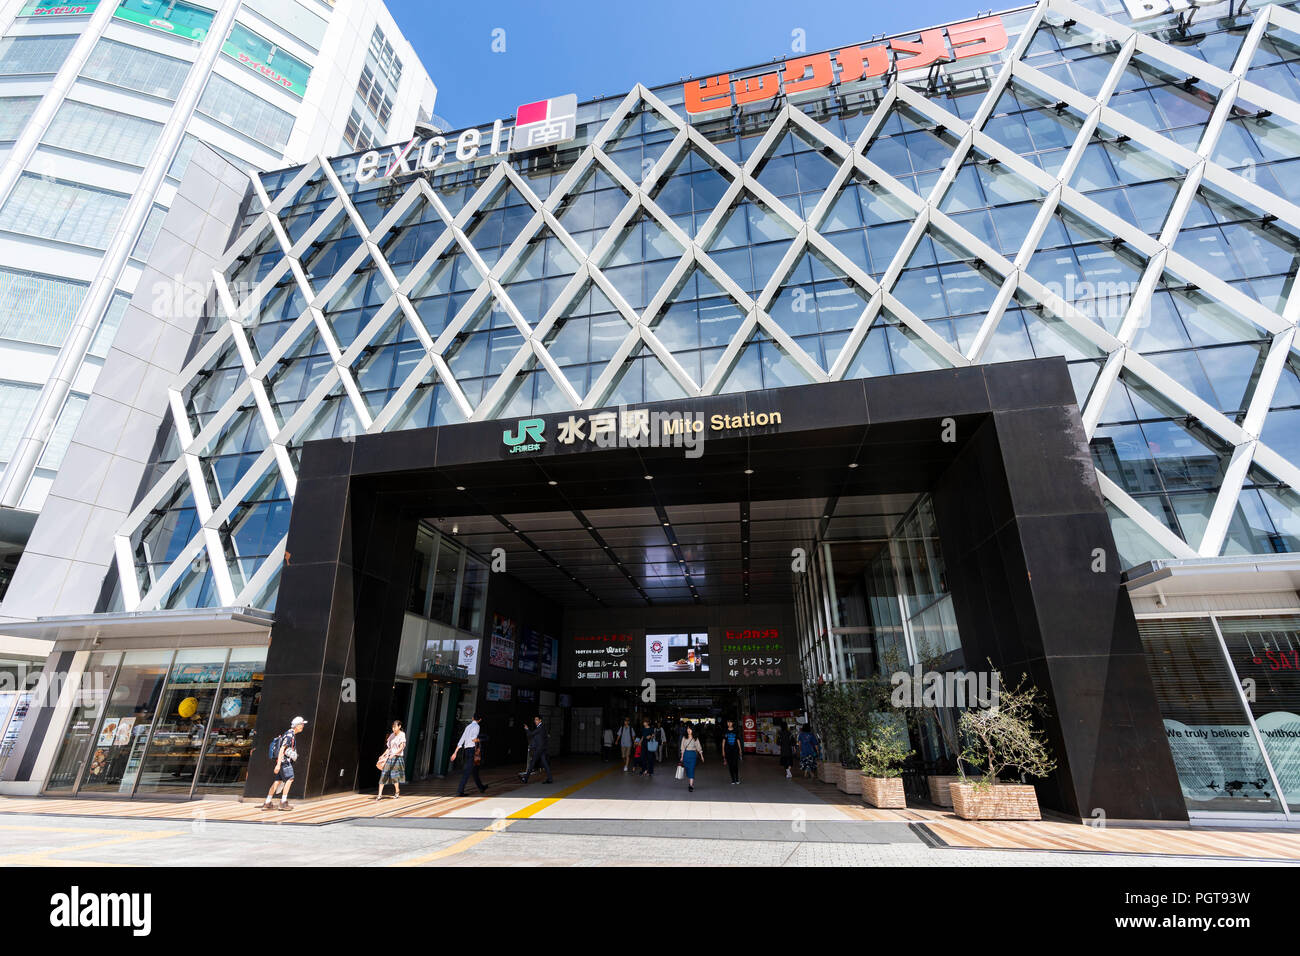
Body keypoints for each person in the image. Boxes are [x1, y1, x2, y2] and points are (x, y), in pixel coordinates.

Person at [261, 716, 307, 811]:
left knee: (277, 781)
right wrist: (278, 765)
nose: (303, 726)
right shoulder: (290, 735)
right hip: (284, 762)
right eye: (302, 724)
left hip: (282, 762)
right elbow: (282, 749)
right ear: (297, 726)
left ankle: (267, 802)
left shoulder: (289, 734)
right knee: (290, 779)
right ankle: (283, 803)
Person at [451, 712, 489, 797]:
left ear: (472, 718)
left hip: (467, 751)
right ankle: (460, 791)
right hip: (472, 751)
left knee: (474, 770)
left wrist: (455, 752)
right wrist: (482, 739)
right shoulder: (477, 726)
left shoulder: (468, 727)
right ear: (480, 720)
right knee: (467, 772)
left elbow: (462, 739)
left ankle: (481, 787)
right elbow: (474, 739)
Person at [376, 719, 407, 799]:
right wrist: (382, 755)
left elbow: (401, 747)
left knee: (394, 777)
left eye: (395, 727)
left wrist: (394, 753)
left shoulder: (402, 734)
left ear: (399, 726)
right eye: (392, 727)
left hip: (397, 758)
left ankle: (397, 791)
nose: (393, 729)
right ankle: (379, 794)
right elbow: (389, 748)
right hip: (389, 758)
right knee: (384, 774)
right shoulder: (392, 735)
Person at [519, 715, 553, 784]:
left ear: (540, 720)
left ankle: (525, 779)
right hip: (542, 749)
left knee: (532, 763)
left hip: (539, 749)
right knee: (545, 764)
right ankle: (550, 779)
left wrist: (527, 729)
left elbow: (531, 734)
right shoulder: (541, 727)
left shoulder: (540, 727)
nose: (535, 721)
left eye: (537, 720)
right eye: (535, 720)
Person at [678, 724, 704, 793]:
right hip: (686, 755)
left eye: (690, 729)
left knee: (692, 769)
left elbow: (698, 746)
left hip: (693, 755)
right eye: (687, 729)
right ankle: (690, 780)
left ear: (693, 730)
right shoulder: (684, 737)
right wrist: (682, 757)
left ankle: (691, 785)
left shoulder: (695, 738)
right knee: (688, 769)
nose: (688, 730)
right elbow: (682, 748)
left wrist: (701, 755)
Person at [722, 719, 743, 785]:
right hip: (728, 750)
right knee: (730, 765)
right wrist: (723, 751)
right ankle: (733, 779)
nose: (729, 723)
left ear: (732, 723)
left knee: (735, 765)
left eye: (730, 722)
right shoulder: (725, 731)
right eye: (728, 722)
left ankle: (737, 779)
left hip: (735, 750)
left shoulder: (736, 730)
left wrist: (740, 749)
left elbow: (738, 740)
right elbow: (723, 742)